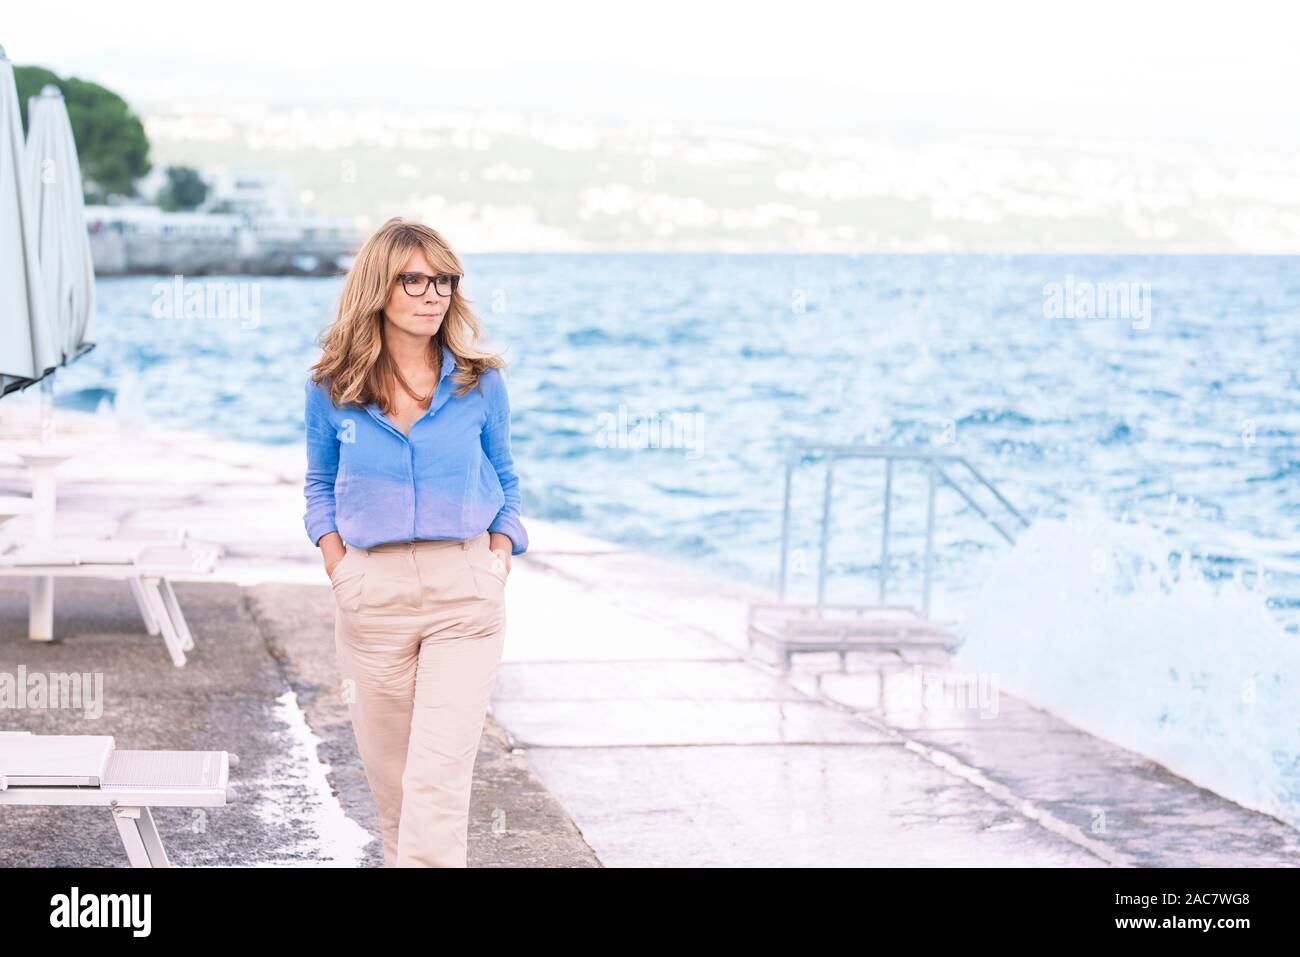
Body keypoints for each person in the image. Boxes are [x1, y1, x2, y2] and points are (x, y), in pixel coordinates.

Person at [302, 216, 527, 867]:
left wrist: (498, 555)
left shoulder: (479, 382)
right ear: (379, 288)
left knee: (437, 780)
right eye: (416, 280)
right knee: (396, 791)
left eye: (445, 281)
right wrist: (339, 567)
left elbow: (507, 479)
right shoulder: (331, 388)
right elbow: (319, 484)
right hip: (372, 594)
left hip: (464, 595)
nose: (435, 294)